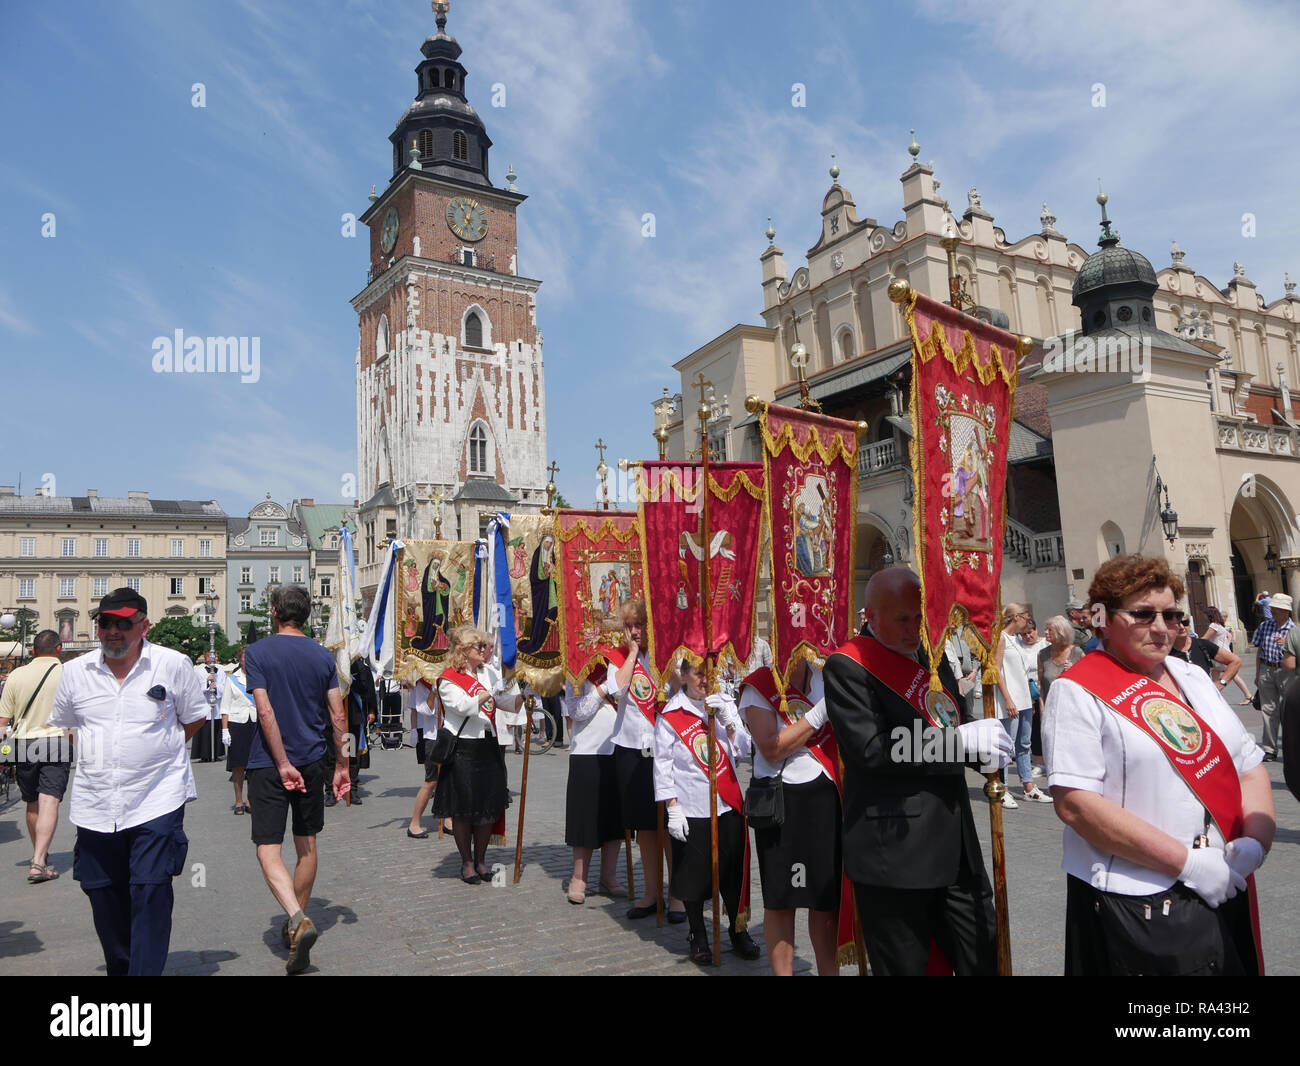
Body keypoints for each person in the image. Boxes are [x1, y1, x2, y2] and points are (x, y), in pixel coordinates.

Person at [1043, 554, 1273, 975]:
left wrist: (1256, 843)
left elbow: (1249, 765)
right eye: (1143, 614)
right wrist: (1186, 863)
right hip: (1139, 898)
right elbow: (1076, 804)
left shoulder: (1193, 678)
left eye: (1171, 614)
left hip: (1223, 881)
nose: (1162, 627)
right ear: (1103, 619)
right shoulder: (1076, 691)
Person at [824, 566, 1013, 976]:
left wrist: (986, 752)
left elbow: (955, 724)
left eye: (919, 618)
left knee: (984, 957)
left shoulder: (934, 655)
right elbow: (870, 749)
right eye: (902, 620)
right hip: (895, 854)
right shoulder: (847, 666)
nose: (914, 629)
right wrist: (958, 743)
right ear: (871, 617)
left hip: (956, 844)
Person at [46, 588, 209, 976]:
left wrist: (158, 750)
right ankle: (123, 967)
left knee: (150, 888)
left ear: (144, 625)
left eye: (124, 623)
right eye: (106, 622)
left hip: (157, 796)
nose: (113, 631)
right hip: (96, 801)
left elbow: (195, 717)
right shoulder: (74, 671)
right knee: (102, 892)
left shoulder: (172, 664)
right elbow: (69, 726)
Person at [244, 584, 351, 975]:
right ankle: (297, 923)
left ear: (274, 612)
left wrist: (281, 760)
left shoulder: (256, 653)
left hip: (269, 764)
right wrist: (342, 765)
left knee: (267, 849)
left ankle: (296, 918)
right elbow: (339, 717)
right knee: (306, 846)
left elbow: (265, 711)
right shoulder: (323, 656)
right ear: (306, 615)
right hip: (313, 760)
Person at [739, 657, 843, 975]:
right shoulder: (759, 685)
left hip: (826, 799)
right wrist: (822, 711)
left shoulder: (826, 676)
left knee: (825, 901)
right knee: (783, 900)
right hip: (782, 803)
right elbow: (771, 748)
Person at [655, 658, 761, 963]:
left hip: (726, 803)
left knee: (733, 871)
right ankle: (697, 933)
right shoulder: (672, 713)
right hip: (690, 806)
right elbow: (662, 766)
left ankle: (738, 931)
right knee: (693, 874)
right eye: (700, 674)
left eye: (710, 674)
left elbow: (740, 750)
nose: (706, 680)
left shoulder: (723, 702)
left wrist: (730, 721)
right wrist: (671, 807)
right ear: (684, 675)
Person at [600, 599, 683, 921]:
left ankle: (677, 894)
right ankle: (651, 892)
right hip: (631, 749)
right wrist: (633, 654)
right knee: (646, 828)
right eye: (629, 626)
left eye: (640, 625)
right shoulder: (619, 658)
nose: (634, 631)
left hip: (667, 750)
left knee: (669, 825)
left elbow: (684, 690)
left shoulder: (669, 655)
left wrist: (669, 664)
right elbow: (617, 689)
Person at [433, 626, 521, 884]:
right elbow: (462, 707)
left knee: (487, 808)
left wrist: (523, 695)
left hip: (487, 745)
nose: (484, 650)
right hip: (463, 749)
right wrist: (485, 693)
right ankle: (467, 862)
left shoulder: (488, 673)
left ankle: (481, 860)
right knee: (464, 810)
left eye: (484, 646)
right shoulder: (449, 678)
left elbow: (501, 702)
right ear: (464, 650)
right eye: (479, 646)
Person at [0, 630, 67, 883]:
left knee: (32, 802)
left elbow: (3, 721)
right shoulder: (67, 673)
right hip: (55, 740)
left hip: (24, 744)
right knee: (50, 800)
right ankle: (39, 861)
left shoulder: (16, 675)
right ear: (59, 649)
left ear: (33, 651)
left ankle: (39, 855)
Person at [562, 677, 624, 904]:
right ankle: (579, 878)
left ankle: (608, 876)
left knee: (614, 818)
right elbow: (577, 711)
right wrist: (606, 686)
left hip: (619, 748)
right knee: (584, 817)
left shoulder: (621, 664)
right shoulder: (578, 671)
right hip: (587, 751)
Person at [994, 603, 1052, 806]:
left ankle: (1028, 785)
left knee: (1024, 744)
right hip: (1011, 700)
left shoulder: (1017, 639)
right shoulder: (1001, 638)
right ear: (1016, 617)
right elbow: (997, 670)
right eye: (1026, 618)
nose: (1028, 623)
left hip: (1025, 699)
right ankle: (1004, 788)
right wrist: (1008, 698)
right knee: (1007, 745)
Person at [1250, 591, 1293, 762]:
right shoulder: (1265, 626)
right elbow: (1259, 650)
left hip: (1287, 673)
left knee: (1289, 710)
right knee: (1268, 710)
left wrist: (1286, 645)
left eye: (1277, 608)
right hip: (1267, 669)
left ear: (1286, 611)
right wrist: (1257, 672)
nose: (1273, 611)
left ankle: (1292, 746)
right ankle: (1269, 749)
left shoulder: (1294, 630)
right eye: (1273, 608)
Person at [220, 646, 257, 815]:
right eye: (244, 657)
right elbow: (225, 706)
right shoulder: (232, 679)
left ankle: (250, 799)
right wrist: (225, 730)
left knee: (254, 765)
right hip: (237, 723)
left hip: (255, 722)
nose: (247, 661)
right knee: (238, 765)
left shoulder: (259, 676)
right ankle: (238, 800)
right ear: (239, 659)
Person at [1035, 616, 1082, 748]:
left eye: (1050, 630)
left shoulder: (1077, 653)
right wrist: (1042, 706)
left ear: (1061, 632)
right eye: (1045, 629)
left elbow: (1090, 681)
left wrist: (1075, 671)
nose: (1045, 632)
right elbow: (1040, 683)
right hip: (1052, 710)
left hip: (1073, 710)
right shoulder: (1042, 654)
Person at [1015, 618, 1049, 778]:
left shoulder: (1045, 644)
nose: (1027, 636)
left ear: (1036, 630)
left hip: (1045, 688)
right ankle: (1039, 762)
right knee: (1033, 728)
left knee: (1048, 727)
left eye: (1030, 632)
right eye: (1024, 634)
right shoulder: (1019, 646)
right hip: (1028, 690)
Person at [406, 677, 439, 838]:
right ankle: (414, 823)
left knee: (449, 780)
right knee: (431, 781)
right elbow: (424, 710)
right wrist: (433, 691)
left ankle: (447, 820)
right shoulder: (421, 684)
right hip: (432, 735)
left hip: (450, 734)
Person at [1171, 612, 1242, 686]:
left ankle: (1248, 695)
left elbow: (1235, 661)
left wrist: (1221, 683)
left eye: (1185, 623)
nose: (1182, 627)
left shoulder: (1202, 644)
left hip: (1204, 695)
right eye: (1177, 623)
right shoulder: (1165, 651)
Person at [1203, 606, 1252, 704]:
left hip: (1220, 654)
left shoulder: (1214, 625)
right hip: (1222, 653)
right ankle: (1215, 697)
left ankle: (1248, 695)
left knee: (1232, 674)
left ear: (1209, 615)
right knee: (1215, 674)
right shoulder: (1220, 625)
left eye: (1205, 615)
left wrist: (1193, 641)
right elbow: (1229, 636)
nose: (1204, 617)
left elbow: (1204, 639)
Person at [191, 649, 227, 763]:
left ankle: (217, 753)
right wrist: (207, 683)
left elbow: (224, 687)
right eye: (211, 657)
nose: (214, 659)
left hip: (216, 705)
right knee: (205, 731)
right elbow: (196, 689)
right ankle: (204, 754)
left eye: (215, 657)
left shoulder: (220, 671)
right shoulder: (199, 672)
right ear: (206, 658)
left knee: (216, 728)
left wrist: (216, 687)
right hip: (205, 705)